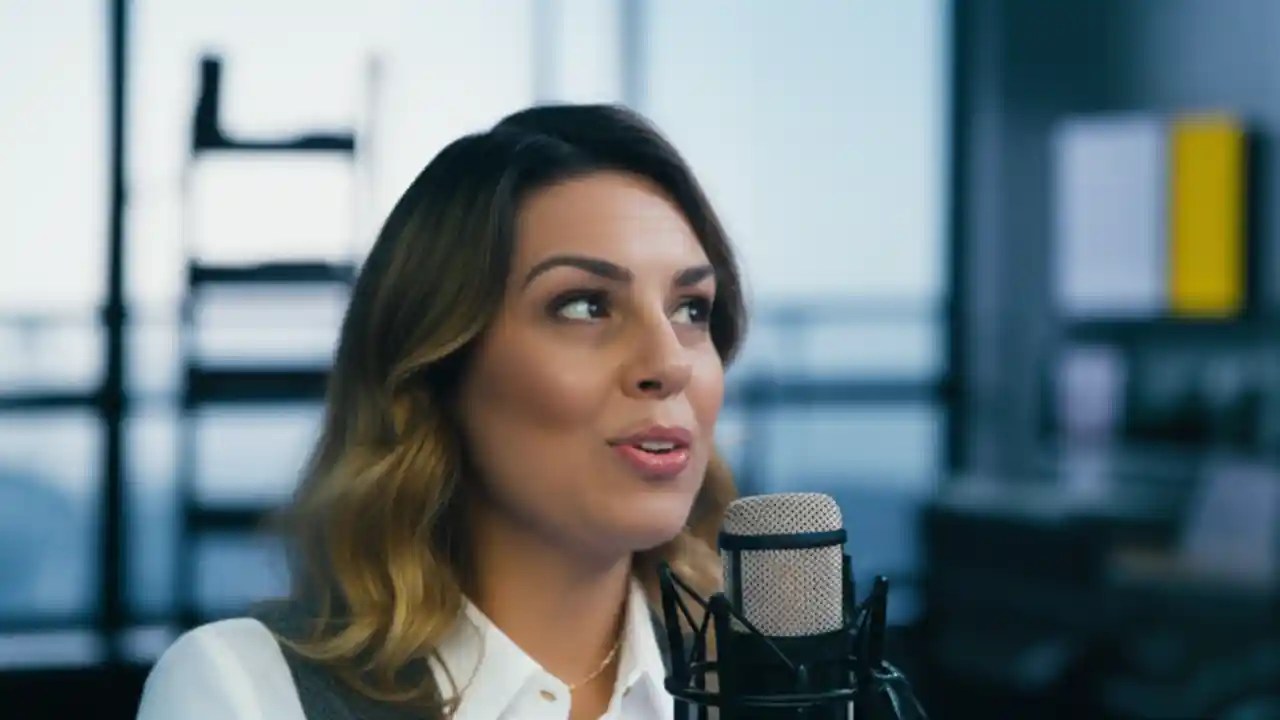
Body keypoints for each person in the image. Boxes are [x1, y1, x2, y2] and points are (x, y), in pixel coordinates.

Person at [136, 103, 747, 720]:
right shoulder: (246, 692)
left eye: (690, 309)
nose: (669, 362)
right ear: (438, 366)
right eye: (585, 306)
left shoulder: (767, 689)